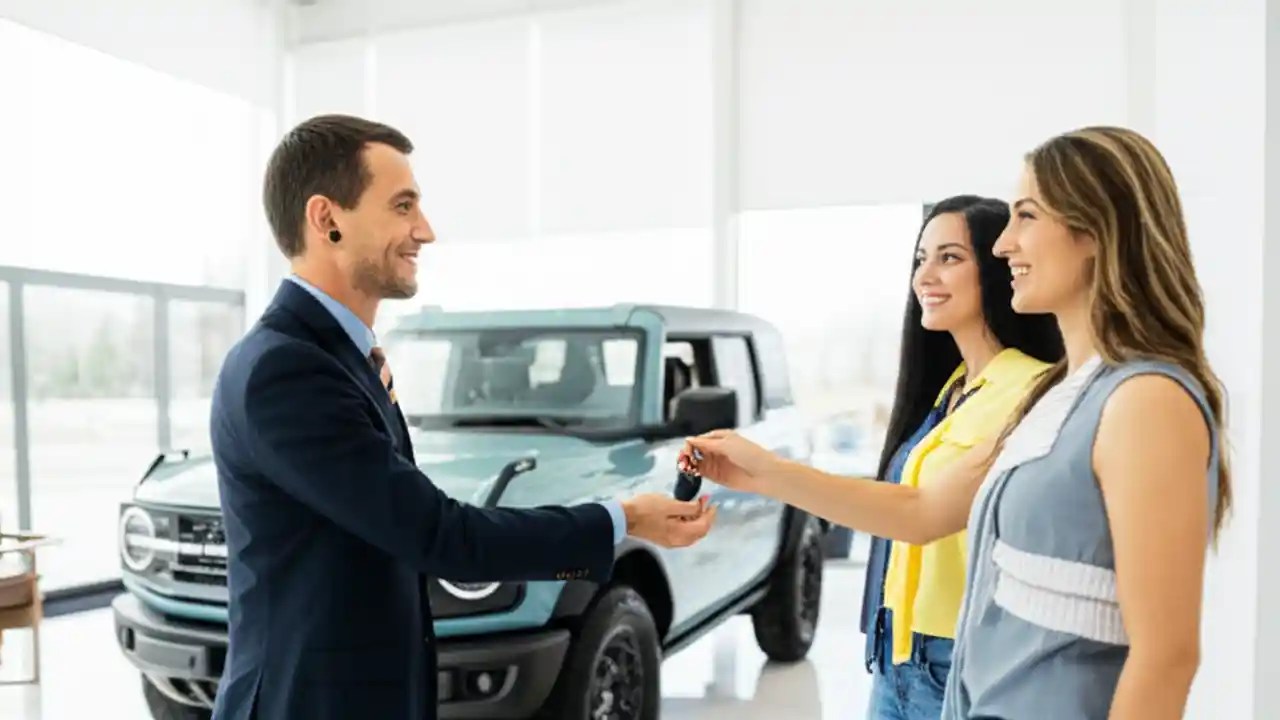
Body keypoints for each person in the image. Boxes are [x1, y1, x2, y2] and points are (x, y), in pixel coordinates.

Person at [680, 126, 1229, 719]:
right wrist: (764, 474)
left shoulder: (1145, 400)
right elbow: (921, 512)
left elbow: (1166, 656)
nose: (1004, 245)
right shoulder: (1059, 396)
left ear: (1094, 230)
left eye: (1026, 217)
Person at [209, 114, 715, 720]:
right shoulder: (286, 370)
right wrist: (625, 517)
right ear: (327, 220)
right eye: (402, 206)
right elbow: (440, 537)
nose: (425, 231)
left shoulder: (340, 355)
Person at [854, 195, 1062, 719]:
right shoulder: (951, 388)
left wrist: (765, 473)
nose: (926, 275)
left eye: (949, 257)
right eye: (920, 259)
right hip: (895, 655)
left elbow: (917, 510)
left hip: (955, 662)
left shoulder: (1028, 389)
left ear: (994, 270)